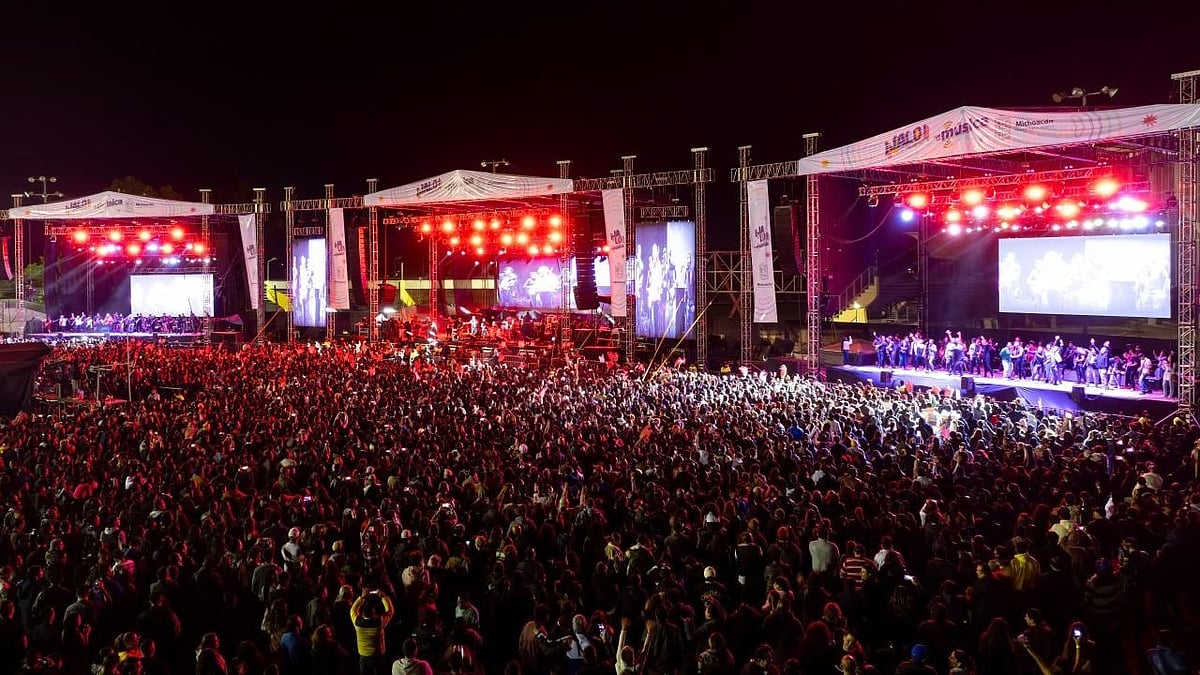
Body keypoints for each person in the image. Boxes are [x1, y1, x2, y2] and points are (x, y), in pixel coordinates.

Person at [351, 587, 394, 675]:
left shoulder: (357, 622)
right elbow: (390, 611)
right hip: (377, 656)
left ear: (362, 613)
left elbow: (353, 610)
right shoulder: (380, 622)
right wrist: (383, 597)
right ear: (374, 614)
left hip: (363, 656)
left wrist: (362, 598)